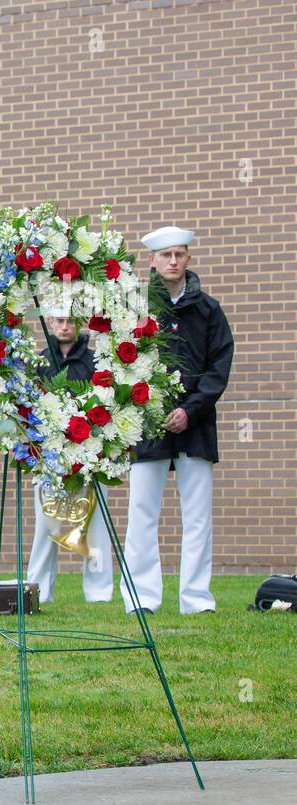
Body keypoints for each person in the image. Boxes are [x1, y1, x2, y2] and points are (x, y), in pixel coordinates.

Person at [122, 226, 234, 614]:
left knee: (198, 515)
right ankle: (141, 598)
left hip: (197, 424)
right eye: (166, 255)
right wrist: (151, 407)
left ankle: (196, 598)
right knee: (141, 513)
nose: (173, 261)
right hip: (146, 423)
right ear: (151, 261)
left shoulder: (209, 309)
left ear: (188, 259)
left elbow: (220, 367)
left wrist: (192, 409)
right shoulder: (133, 306)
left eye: (180, 254)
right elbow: (120, 364)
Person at [26, 310, 113, 603]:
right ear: (50, 323)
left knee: (95, 523)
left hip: (88, 454)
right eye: (59, 320)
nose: (65, 326)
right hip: (48, 457)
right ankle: (38, 589)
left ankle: (99, 591)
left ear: (79, 324)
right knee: (46, 525)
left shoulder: (94, 363)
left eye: (70, 321)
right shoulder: (38, 362)